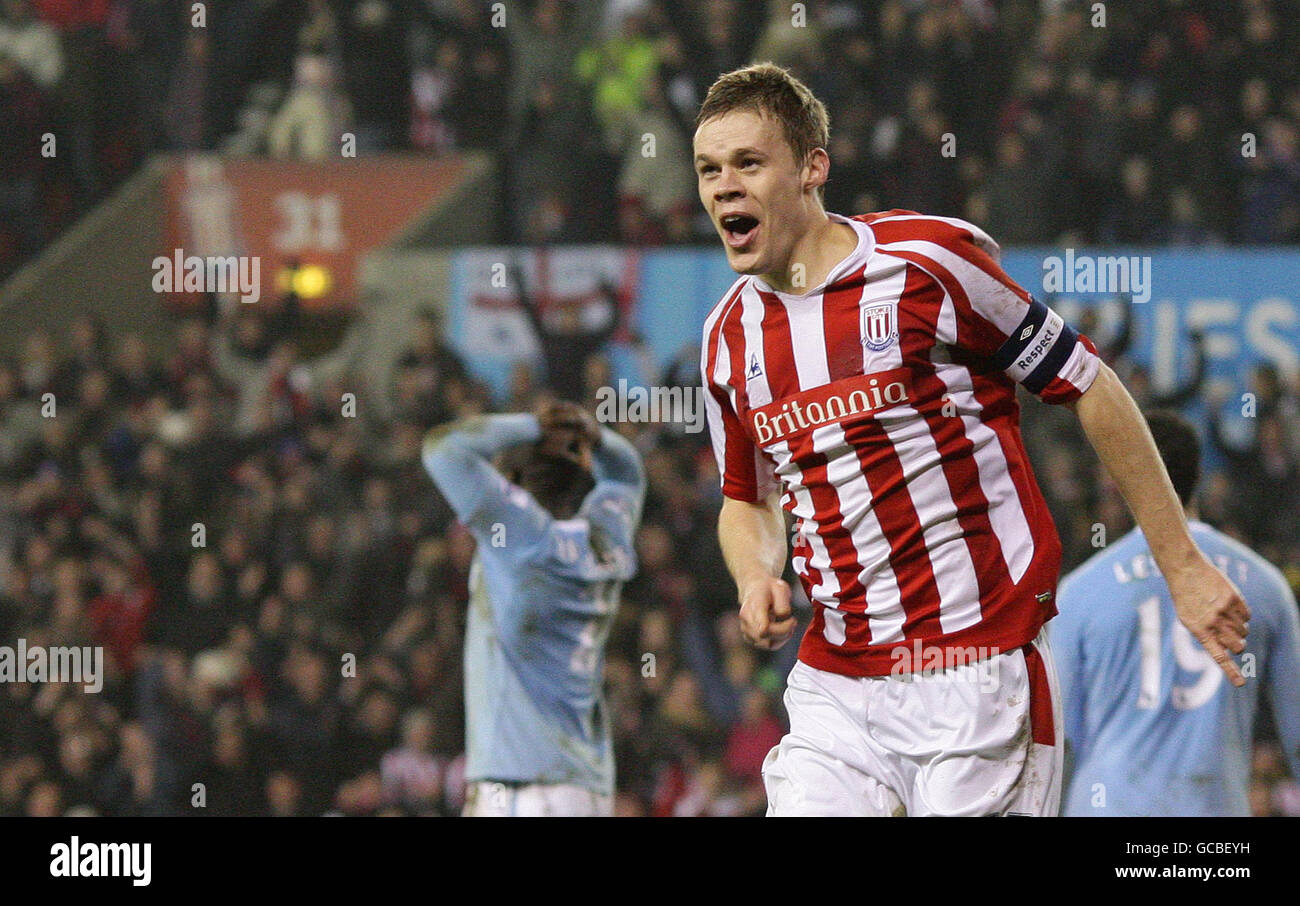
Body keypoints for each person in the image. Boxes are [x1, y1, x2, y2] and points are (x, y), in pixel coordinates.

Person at [693, 62, 1248, 817]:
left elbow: (1089, 384)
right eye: (708, 169)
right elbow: (746, 498)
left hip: (980, 666)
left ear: (813, 168)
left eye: (748, 163)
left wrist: (1180, 563)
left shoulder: (926, 264)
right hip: (838, 682)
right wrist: (756, 574)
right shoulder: (728, 337)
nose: (724, 185)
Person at [1053, 410, 1300, 816]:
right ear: (1197, 474)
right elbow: (1295, 732)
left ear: (1119, 479)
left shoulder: (1079, 590)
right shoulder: (1265, 584)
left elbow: (1060, 733)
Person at [421, 402, 645, 816]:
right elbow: (627, 475)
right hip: (588, 789)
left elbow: (442, 449)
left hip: (523, 788)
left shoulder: (520, 539)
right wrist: (595, 436)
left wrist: (531, 425)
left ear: (510, 481)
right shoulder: (606, 538)